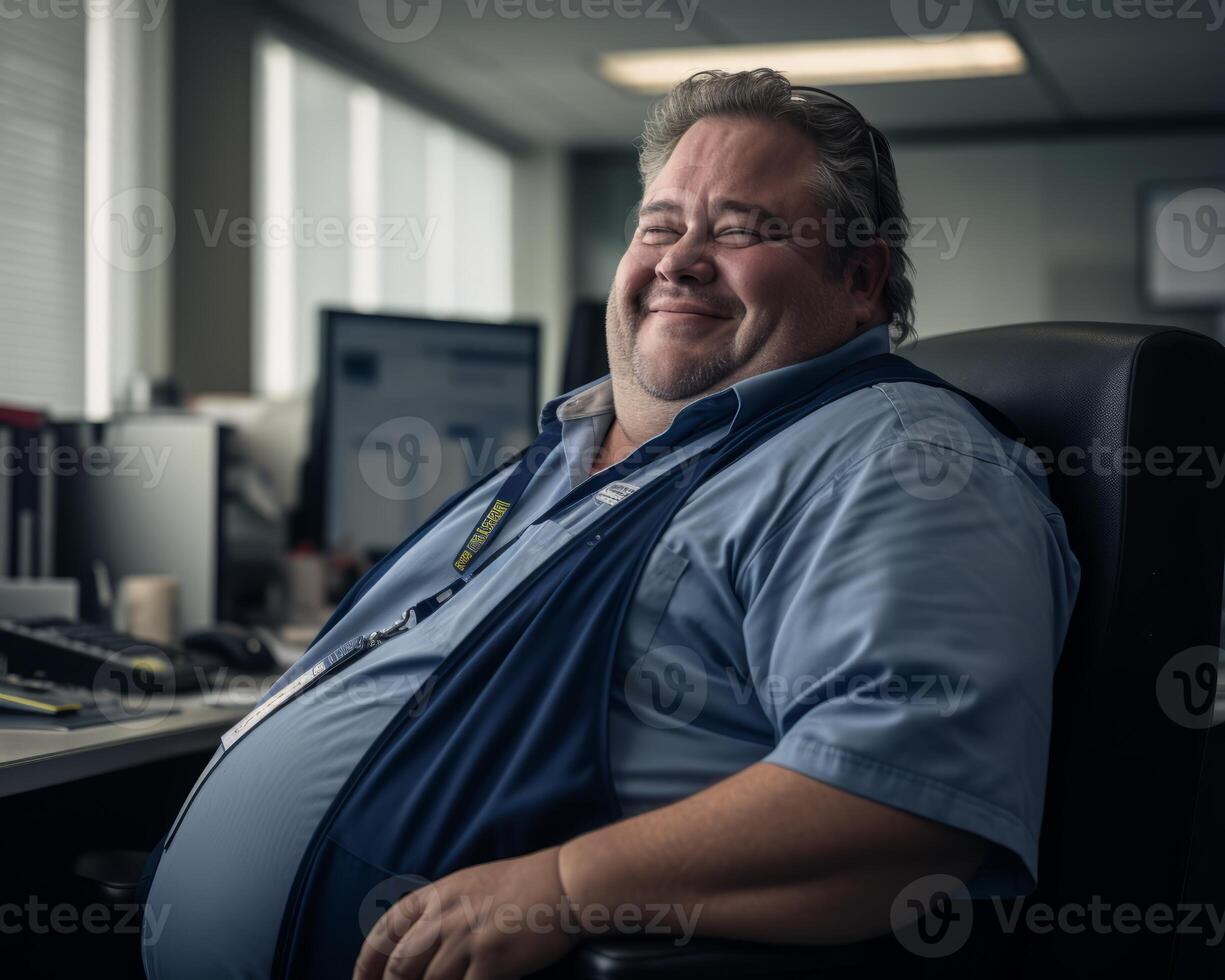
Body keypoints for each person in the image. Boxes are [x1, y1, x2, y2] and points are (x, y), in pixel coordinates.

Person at [141, 68, 1080, 980]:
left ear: (861, 278)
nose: (677, 258)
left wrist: (560, 886)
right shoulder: (576, 447)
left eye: (744, 230)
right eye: (659, 226)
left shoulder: (896, 458)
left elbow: (911, 800)